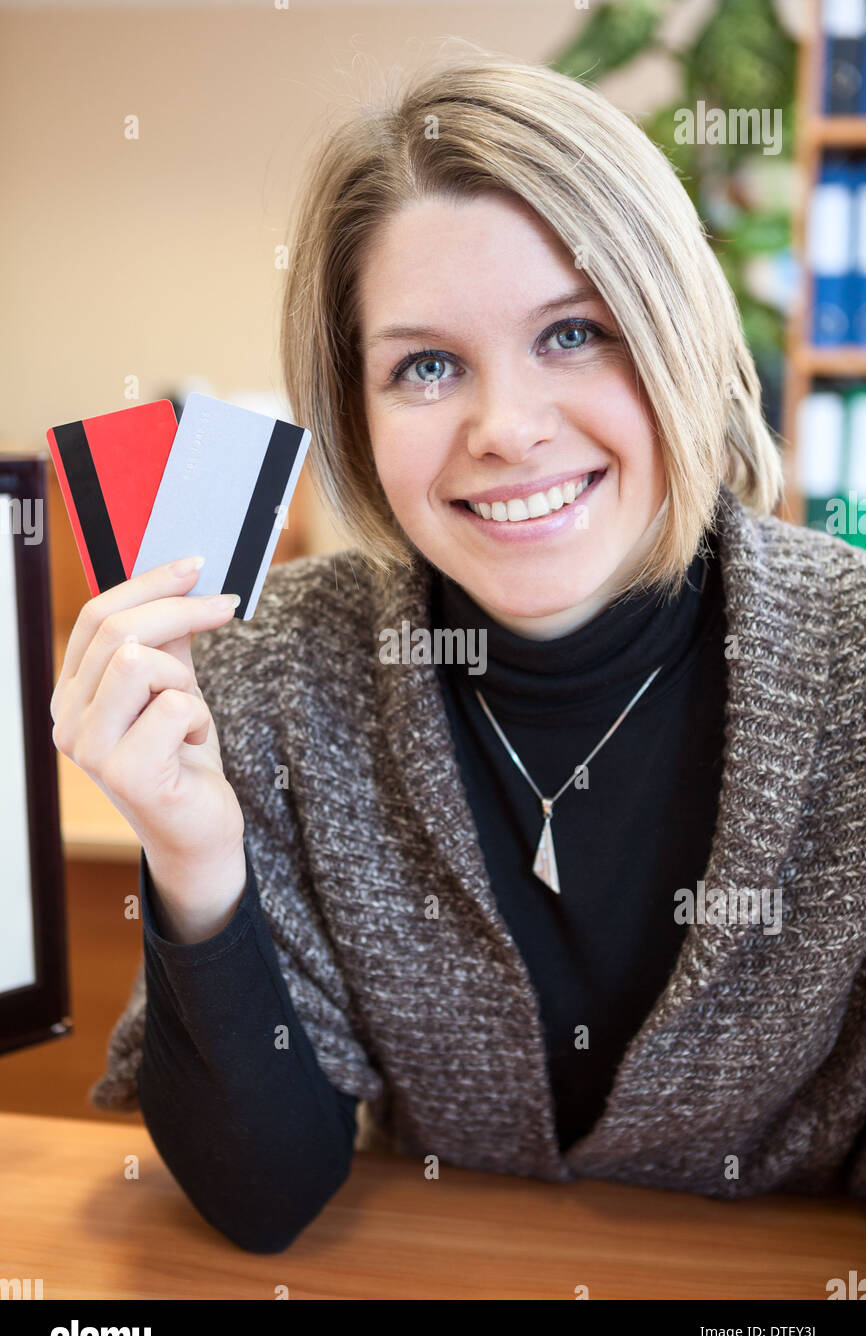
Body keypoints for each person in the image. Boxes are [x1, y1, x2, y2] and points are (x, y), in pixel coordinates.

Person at [54, 51, 866, 1254]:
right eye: (425, 366)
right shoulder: (274, 671)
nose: (505, 430)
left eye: (573, 334)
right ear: (356, 409)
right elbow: (262, 1194)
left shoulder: (848, 659)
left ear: (674, 333)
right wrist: (192, 853)